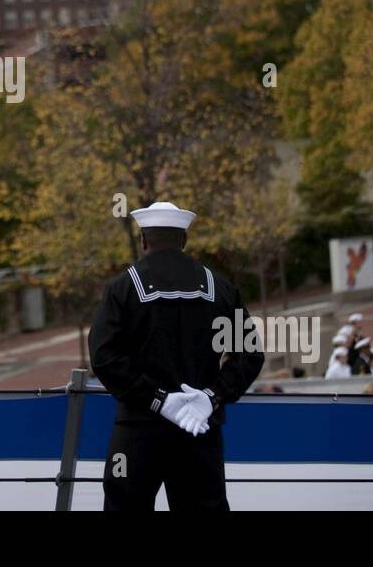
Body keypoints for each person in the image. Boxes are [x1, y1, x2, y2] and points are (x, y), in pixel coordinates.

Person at [88, 201, 264, 511]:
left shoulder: (122, 288)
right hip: (199, 428)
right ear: (184, 240)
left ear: (143, 240)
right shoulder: (221, 288)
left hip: (137, 431)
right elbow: (249, 354)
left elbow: (105, 358)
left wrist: (157, 400)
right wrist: (211, 397)